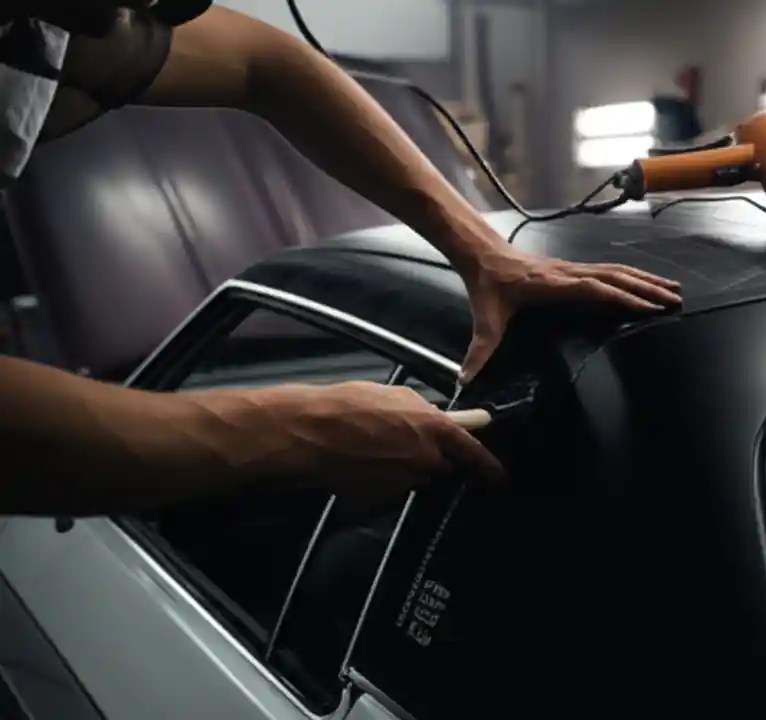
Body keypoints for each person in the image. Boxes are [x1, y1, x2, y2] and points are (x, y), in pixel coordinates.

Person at [0, 2, 681, 515]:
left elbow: (266, 64)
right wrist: (299, 431)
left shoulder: (52, 29)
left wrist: (484, 254)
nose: (172, 13)